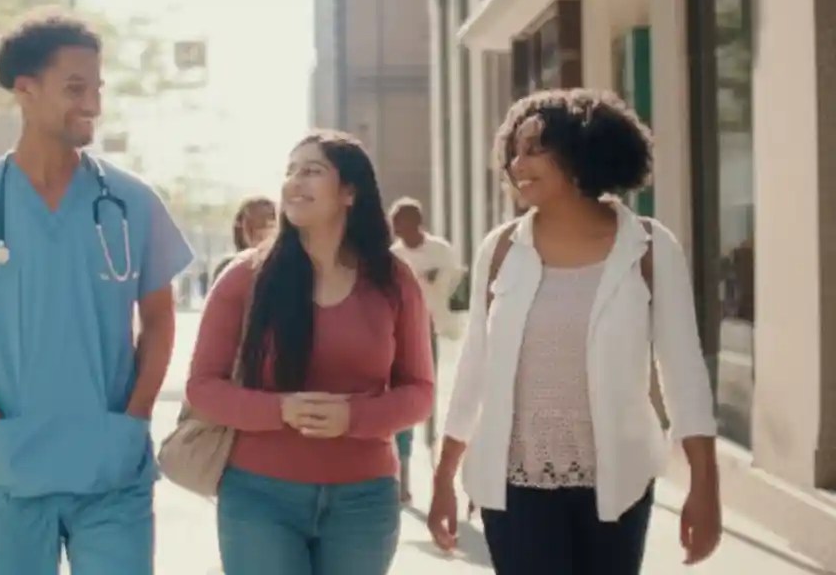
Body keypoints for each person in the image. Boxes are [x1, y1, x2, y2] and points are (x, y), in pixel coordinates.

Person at [0, 11, 193, 575]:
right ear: (26, 91)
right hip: (15, 468)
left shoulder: (132, 202)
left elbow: (159, 319)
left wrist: (134, 416)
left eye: (98, 89)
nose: (93, 104)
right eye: (75, 89)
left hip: (112, 471)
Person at [428, 89, 722, 574]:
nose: (517, 164)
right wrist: (444, 477)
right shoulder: (500, 250)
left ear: (582, 150)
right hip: (513, 488)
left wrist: (705, 487)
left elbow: (684, 373)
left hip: (619, 485)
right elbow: (474, 367)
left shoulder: (649, 247)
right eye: (513, 152)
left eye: (534, 149)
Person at [186, 130, 434, 575]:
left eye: (312, 171)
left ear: (349, 192)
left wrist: (353, 417)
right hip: (259, 497)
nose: (295, 182)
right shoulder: (246, 277)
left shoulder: (394, 279)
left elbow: (419, 391)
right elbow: (203, 387)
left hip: (364, 500)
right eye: (290, 171)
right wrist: (280, 410)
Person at [387, 197, 463, 504]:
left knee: (428, 399)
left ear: (417, 222)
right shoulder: (393, 256)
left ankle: (435, 465)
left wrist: (437, 279)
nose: (398, 230)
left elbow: (457, 286)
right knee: (403, 398)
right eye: (395, 224)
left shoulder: (440, 250)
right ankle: (403, 477)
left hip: (433, 332)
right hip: (401, 334)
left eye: (402, 223)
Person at [211, 196, 277, 281]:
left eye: (270, 225)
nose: (261, 232)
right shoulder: (228, 267)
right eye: (253, 225)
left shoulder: (285, 265)